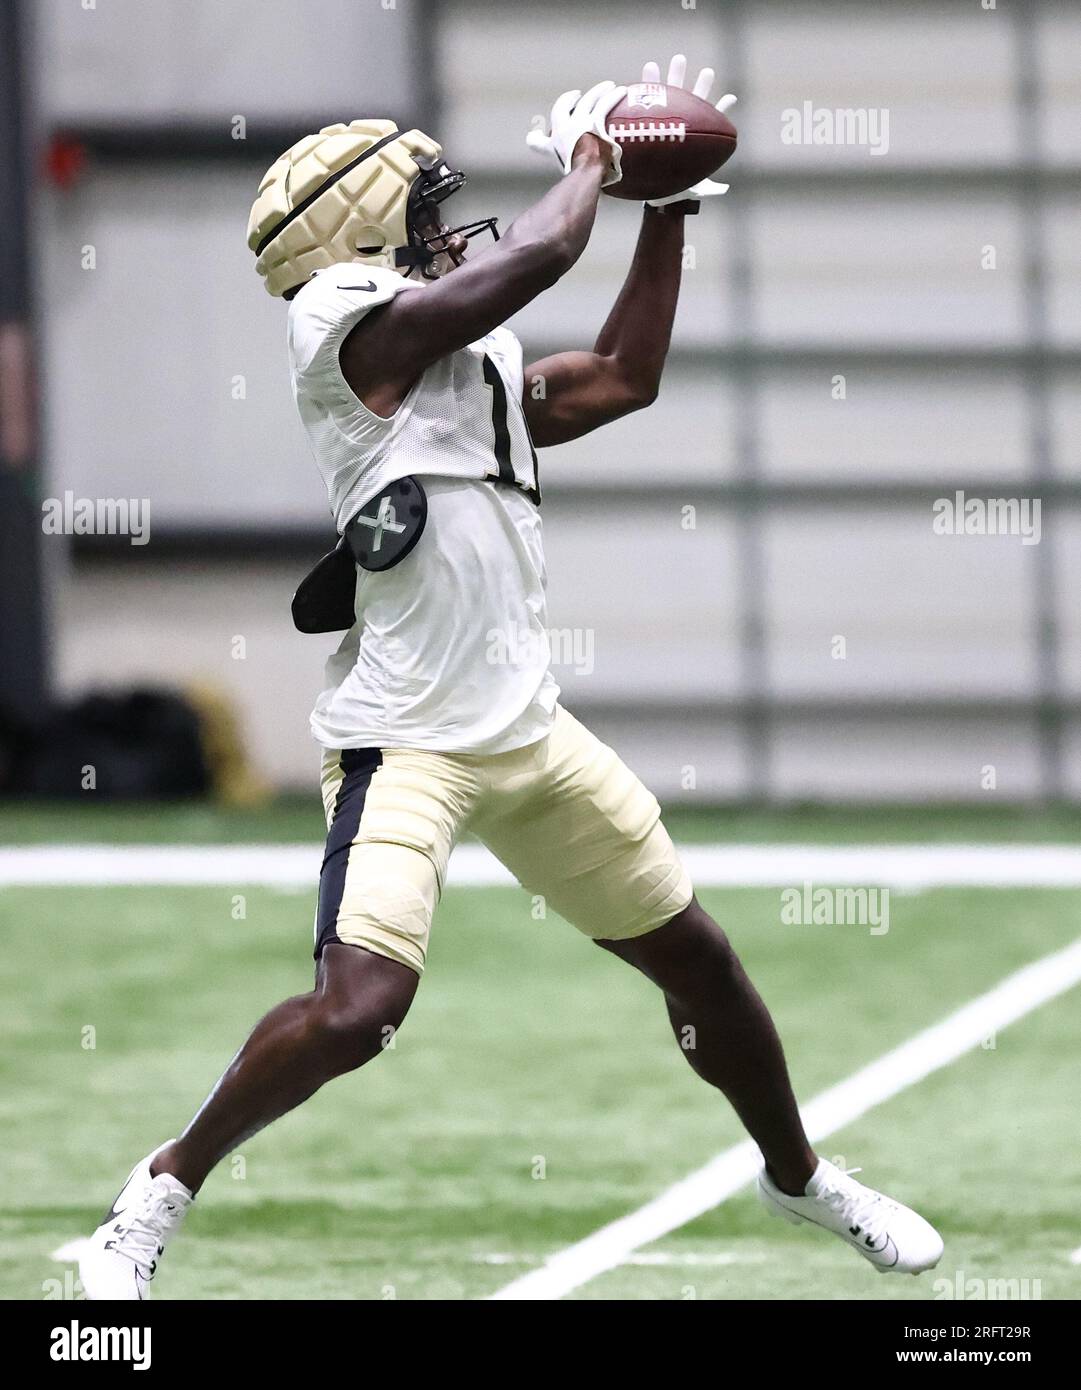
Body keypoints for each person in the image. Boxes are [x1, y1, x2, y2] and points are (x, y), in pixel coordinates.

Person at [80, 57, 942, 1300]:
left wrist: (670, 205)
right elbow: (528, 263)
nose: (448, 228)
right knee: (356, 1008)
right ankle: (157, 1187)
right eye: (424, 212)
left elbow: (621, 377)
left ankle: (798, 1176)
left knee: (699, 960)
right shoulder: (337, 330)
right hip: (406, 742)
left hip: (525, 731)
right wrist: (593, 159)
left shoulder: (463, 359)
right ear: (362, 236)